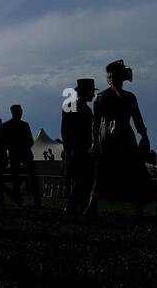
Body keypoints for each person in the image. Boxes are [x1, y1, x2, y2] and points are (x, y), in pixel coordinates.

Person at [90, 59, 151, 219]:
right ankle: (93, 205)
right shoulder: (109, 97)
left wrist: (144, 135)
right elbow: (95, 124)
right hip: (117, 136)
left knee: (115, 171)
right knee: (122, 171)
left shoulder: (104, 97)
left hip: (112, 137)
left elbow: (95, 125)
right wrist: (144, 136)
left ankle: (92, 206)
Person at [62, 78, 97, 215]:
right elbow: (65, 129)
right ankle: (72, 205)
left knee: (84, 178)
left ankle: (78, 204)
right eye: (90, 91)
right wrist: (68, 148)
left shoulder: (85, 109)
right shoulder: (73, 107)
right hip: (78, 148)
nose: (92, 94)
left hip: (84, 148)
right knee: (82, 177)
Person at [1, 105, 39, 208]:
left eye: (20, 111)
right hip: (19, 154)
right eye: (18, 111)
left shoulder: (13, 125)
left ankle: (28, 201)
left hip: (20, 153)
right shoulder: (10, 125)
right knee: (19, 179)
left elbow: (30, 140)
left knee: (22, 178)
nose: (20, 113)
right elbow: (4, 142)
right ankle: (26, 201)